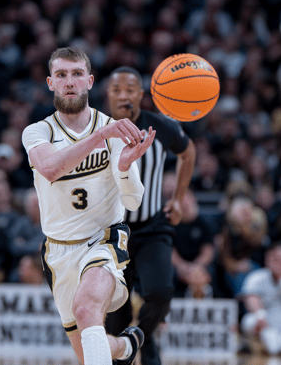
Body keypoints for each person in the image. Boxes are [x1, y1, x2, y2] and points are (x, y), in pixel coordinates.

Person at [21, 47, 155, 365]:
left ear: (90, 81)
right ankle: (125, 347)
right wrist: (100, 137)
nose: (70, 81)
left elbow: (134, 200)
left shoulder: (114, 129)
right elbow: (51, 168)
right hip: (58, 251)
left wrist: (123, 168)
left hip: (103, 240)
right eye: (62, 75)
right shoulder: (38, 131)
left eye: (77, 74)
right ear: (50, 82)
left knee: (86, 309)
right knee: (87, 349)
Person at [102, 66, 196, 365]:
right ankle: (133, 347)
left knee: (160, 293)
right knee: (116, 306)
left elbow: (188, 152)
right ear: (108, 95)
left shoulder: (160, 126)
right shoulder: (96, 129)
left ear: (141, 95)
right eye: (117, 90)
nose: (123, 96)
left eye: (130, 89)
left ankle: (142, 336)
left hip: (153, 226)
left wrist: (178, 199)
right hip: (111, 231)